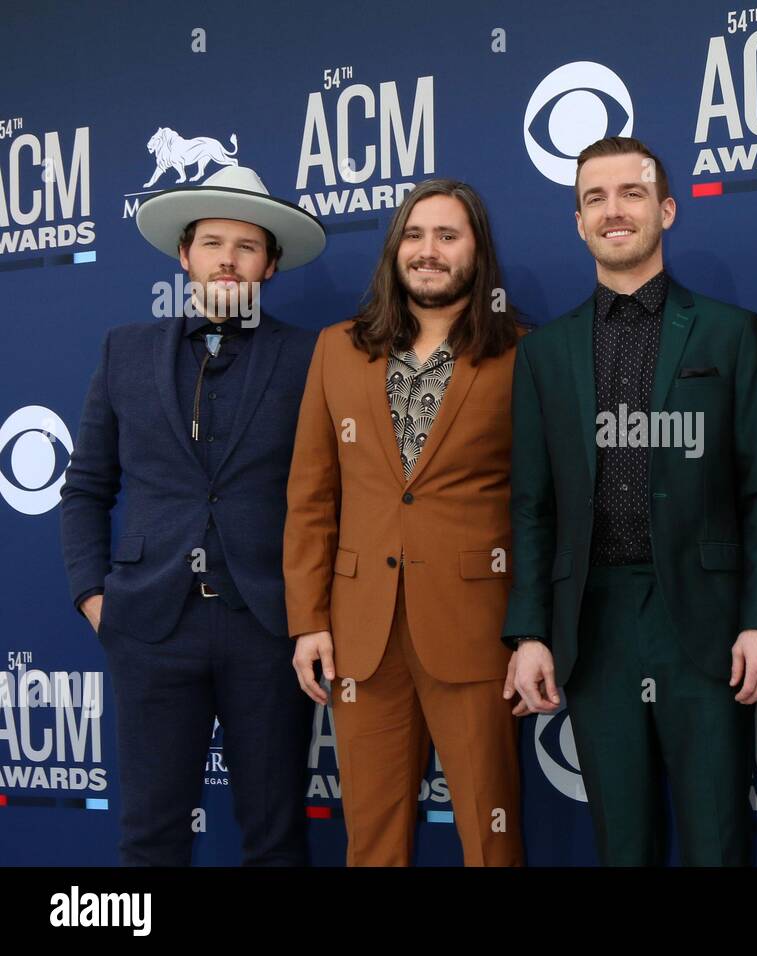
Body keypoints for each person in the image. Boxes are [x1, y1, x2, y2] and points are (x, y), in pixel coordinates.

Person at [503, 136, 757, 865]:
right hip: (594, 626)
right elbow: (532, 507)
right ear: (577, 222)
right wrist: (530, 632)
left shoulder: (728, 333)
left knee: (717, 838)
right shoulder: (543, 353)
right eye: (594, 198)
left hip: (704, 619)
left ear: (666, 209)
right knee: (621, 844)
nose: (613, 210)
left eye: (631, 193)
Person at [60, 165, 325, 865]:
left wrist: (314, 613)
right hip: (148, 624)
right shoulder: (125, 351)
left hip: (267, 626)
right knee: (151, 835)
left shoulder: (312, 357)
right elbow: (87, 485)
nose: (228, 258)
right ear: (185, 256)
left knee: (276, 837)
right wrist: (94, 597)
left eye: (246, 245)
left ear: (269, 264)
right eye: (212, 242)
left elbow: (334, 493)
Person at [284, 179, 524, 866]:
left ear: (477, 252)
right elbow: (311, 495)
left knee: (492, 835)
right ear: (394, 252)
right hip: (362, 631)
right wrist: (308, 619)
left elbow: (540, 503)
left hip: (477, 629)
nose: (428, 251)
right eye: (414, 237)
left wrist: (532, 627)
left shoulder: (519, 352)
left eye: (448, 236)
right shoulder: (338, 349)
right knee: (373, 840)